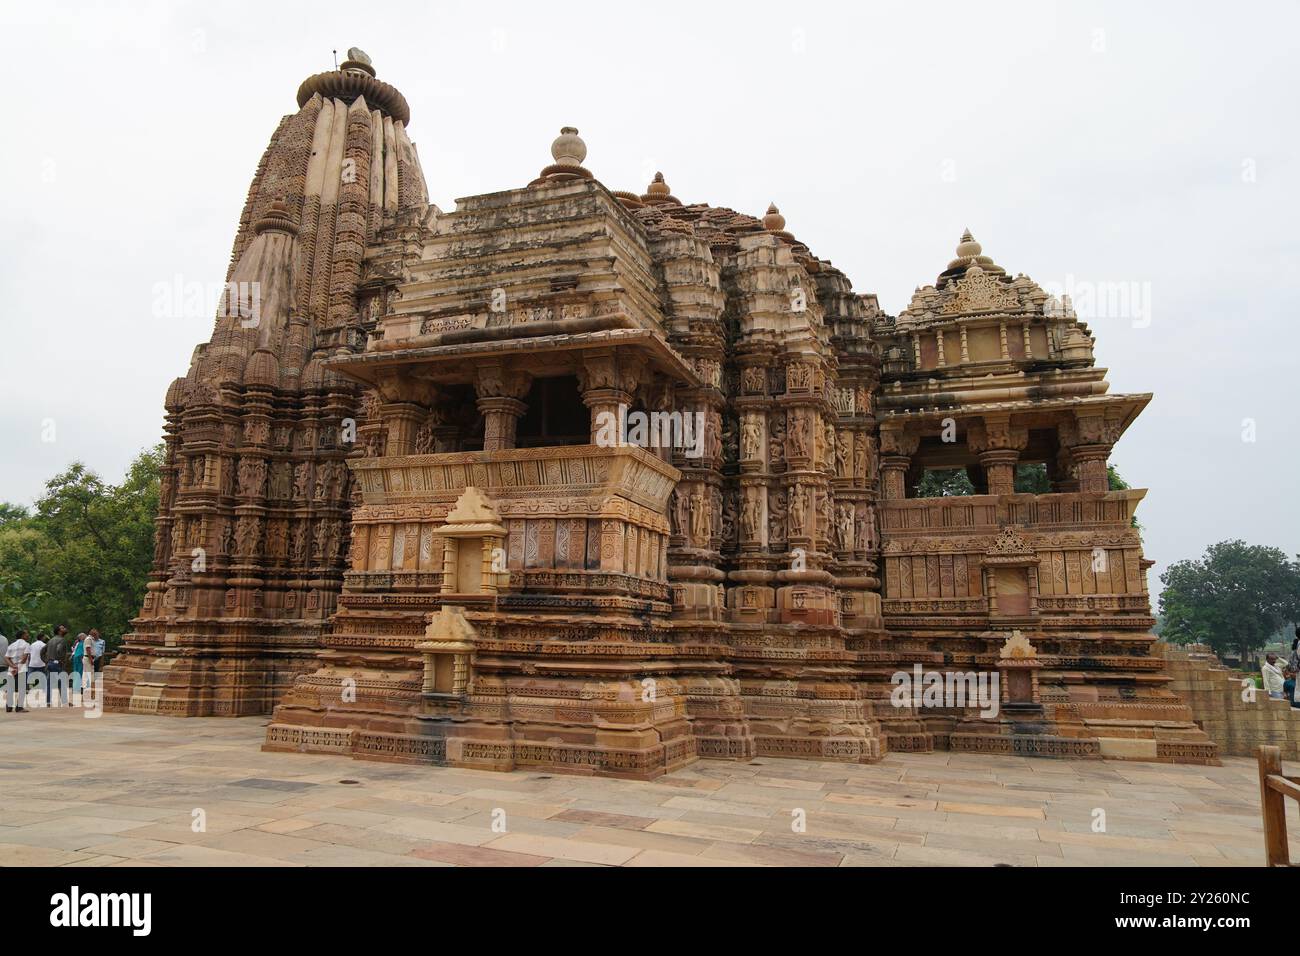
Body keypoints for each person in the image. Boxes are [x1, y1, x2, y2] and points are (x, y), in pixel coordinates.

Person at [5, 629, 31, 712]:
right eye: (26, 634)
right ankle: (19, 707)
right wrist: (18, 667)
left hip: (11, 669)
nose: (28, 635)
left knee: (10, 687)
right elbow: (24, 658)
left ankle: (9, 707)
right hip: (21, 668)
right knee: (22, 688)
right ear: (22, 636)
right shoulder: (26, 644)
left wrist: (12, 666)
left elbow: (6, 658)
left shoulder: (11, 645)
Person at [45, 624, 69, 706]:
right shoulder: (61, 640)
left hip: (50, 663)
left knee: (49, 683)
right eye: (62, 628)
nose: (65, 629)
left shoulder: (50, 640)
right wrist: (61, 660)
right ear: (59, 631)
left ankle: (48, 702)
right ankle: (65, 701)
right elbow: (59, 650)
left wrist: (46, 661)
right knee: (62, 682)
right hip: (57, 663)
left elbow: (42, 651)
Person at [27, 632, 48, 707]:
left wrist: (29, 663)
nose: (45, 638)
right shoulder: (44, 645)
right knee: (44, 679)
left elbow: (29, 655)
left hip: (32, 664)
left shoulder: (32, 644)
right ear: (42, 637)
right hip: (41, 664)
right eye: (44, 637)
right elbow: (46, 655)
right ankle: (44, 694)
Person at [70, 633, 86, 703]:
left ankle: (76, 690)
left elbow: (74, 651)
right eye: (84, 636)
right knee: (80, 675)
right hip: (79, 660)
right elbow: (82, 653)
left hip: (76, 659)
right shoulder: (82, 643)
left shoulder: (79, 643)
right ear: (82, 637)